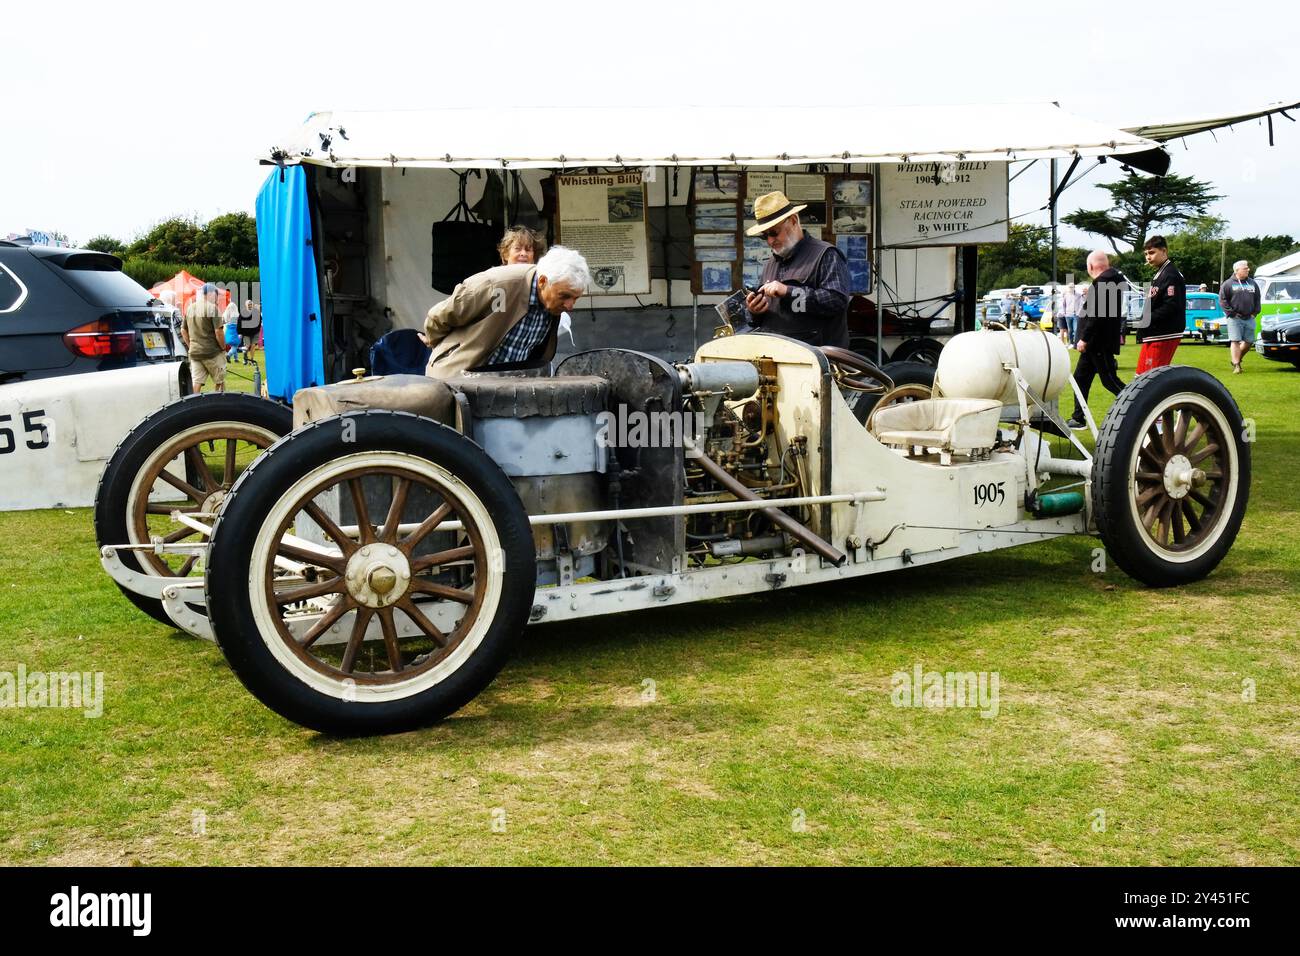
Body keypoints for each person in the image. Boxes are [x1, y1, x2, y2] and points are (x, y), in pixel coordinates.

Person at [423, 245, 589, 379]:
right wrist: (440, 346)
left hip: (507, 385)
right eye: (564, 296)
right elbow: (438, 317)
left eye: (575, 298)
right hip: (458, 380)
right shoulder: (496, 284)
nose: (570, 306)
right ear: (543, 282)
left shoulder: (553, 302)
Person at [743, 191, 850, 348]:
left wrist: (788, 291)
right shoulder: (770, 263)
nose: (770, 241)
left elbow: (836, 300)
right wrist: (754, 311)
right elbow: (762, 317)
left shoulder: (825, 254)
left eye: (774, 233)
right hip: (777, 353)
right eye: (765, 236)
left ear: (793, 221)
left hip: (815, 355)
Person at [1067, 252, 1127, 430]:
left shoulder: (1102, 283)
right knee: (1080, 378)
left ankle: (1143, 406)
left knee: (1110, 381)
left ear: (1091, 266)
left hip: (1097, 342)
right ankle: (1078, 417)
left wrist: (1084, 339)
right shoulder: (1111, 281)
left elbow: (1096, 315)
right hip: (1097, 342)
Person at [1135, 235, 1185, 373]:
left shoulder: (1170, 274)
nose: (1148, 257)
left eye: (1152, 253)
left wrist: (1147, 318)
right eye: (1146, 254)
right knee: (1141, 376)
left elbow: (1171, 305)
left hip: (1164, 334)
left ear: (1164, 251)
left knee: (1152, 378)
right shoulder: (1161, 273)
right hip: (1154, 333)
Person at [182, 283, 226, 394]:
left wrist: (190, 345)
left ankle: (193, 403)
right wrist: (223, 347)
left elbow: (183, 330)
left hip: (195, 353)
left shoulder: (190, 308)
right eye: (216, 295)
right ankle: (220, 402)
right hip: (212, 352)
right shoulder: (213, 308)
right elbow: (218, 332)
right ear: (211, 294)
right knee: (220, 381)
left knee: (196, 383)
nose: (217, 298)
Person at [1220, 260, 1262, 374]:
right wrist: (1232, 313)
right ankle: (1237, 366)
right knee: (1235, 340)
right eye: (1245, 268)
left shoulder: (1252, 283)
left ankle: (1236, 359)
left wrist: (1255, 312)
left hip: (1249, 317)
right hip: (1234, 318)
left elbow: (1257, 298)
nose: (1248, 269)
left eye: (1247, 268)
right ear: (1237, 270)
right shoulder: (1228, 284)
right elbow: (1223, 300)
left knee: (1249, 342)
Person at [239, 299, 262, 364]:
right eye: (248, 305)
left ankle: (251, 360)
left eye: (251, 304)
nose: (250, 306)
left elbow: (259, 321)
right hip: (246, 333)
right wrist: (240, 333)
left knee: (253, 345)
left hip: (255, 332)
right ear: (246, 305)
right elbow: (239, 323)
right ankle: (245, 357)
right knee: (247, 345)